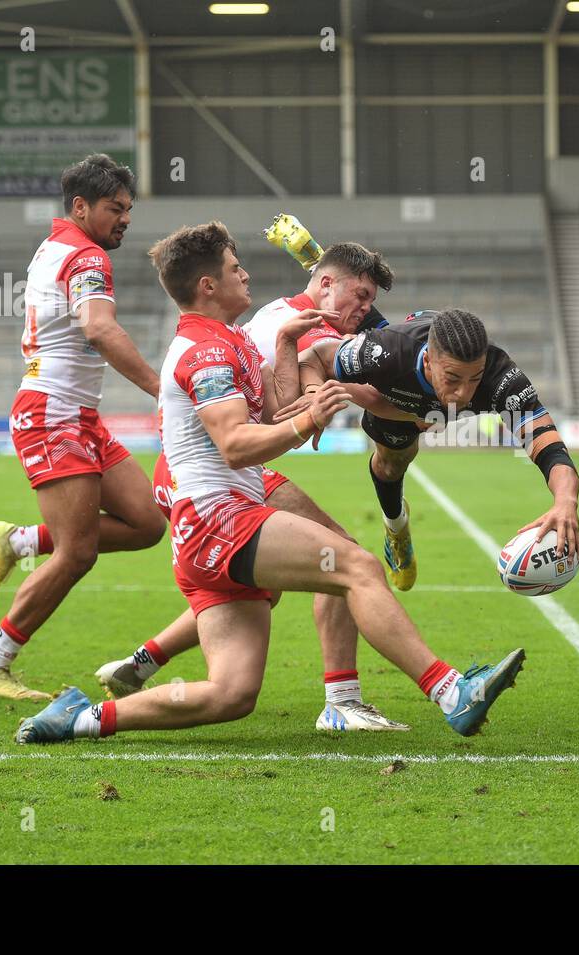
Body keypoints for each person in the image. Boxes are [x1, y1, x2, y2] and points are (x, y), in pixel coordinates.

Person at [15, 221, 524, 744]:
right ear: (209, 286)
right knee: (355, 565)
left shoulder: (227, 340)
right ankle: (450, 693)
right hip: (219, 517)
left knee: (231, 694)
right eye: (236, 268)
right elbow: (238, 444)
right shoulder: (207, 353)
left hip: (209, 532)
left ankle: (81, 717)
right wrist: (307, 419)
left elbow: (275, 414)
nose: (247, 273)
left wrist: (286, 346)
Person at [94, 234, 412, 731]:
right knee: (339, 556)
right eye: (362, 298)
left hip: (202, 469)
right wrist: (424, 401)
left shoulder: (266, 322)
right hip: (207, 475)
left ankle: (143, 661)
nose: (366, 311)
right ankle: (344, 701)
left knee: (261, 582)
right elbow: (322, 405)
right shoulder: (296, 333)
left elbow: (279, 403)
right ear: (326, 284)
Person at [0, 154, 166, 701]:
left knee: (149, 522)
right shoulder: (87, 257)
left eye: (128, 209)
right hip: (54, 414)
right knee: (76, 553)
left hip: (74, 413)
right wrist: (163, 390)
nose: (124, 219)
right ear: (81, 207)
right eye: (113, 209)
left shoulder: (56, 245)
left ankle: (18, 540)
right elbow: (99, 329)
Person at [291, 309, 579, 589]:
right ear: (430, 362)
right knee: (391, 465)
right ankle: (396, 526)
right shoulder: (386, 352)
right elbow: (314, 357)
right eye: (452, 378)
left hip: (420, 396)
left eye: (475, 378)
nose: (464, 393)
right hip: (394, 389)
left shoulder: (501, 375)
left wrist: (566, 500)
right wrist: (314, 396)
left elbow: (549, 444)